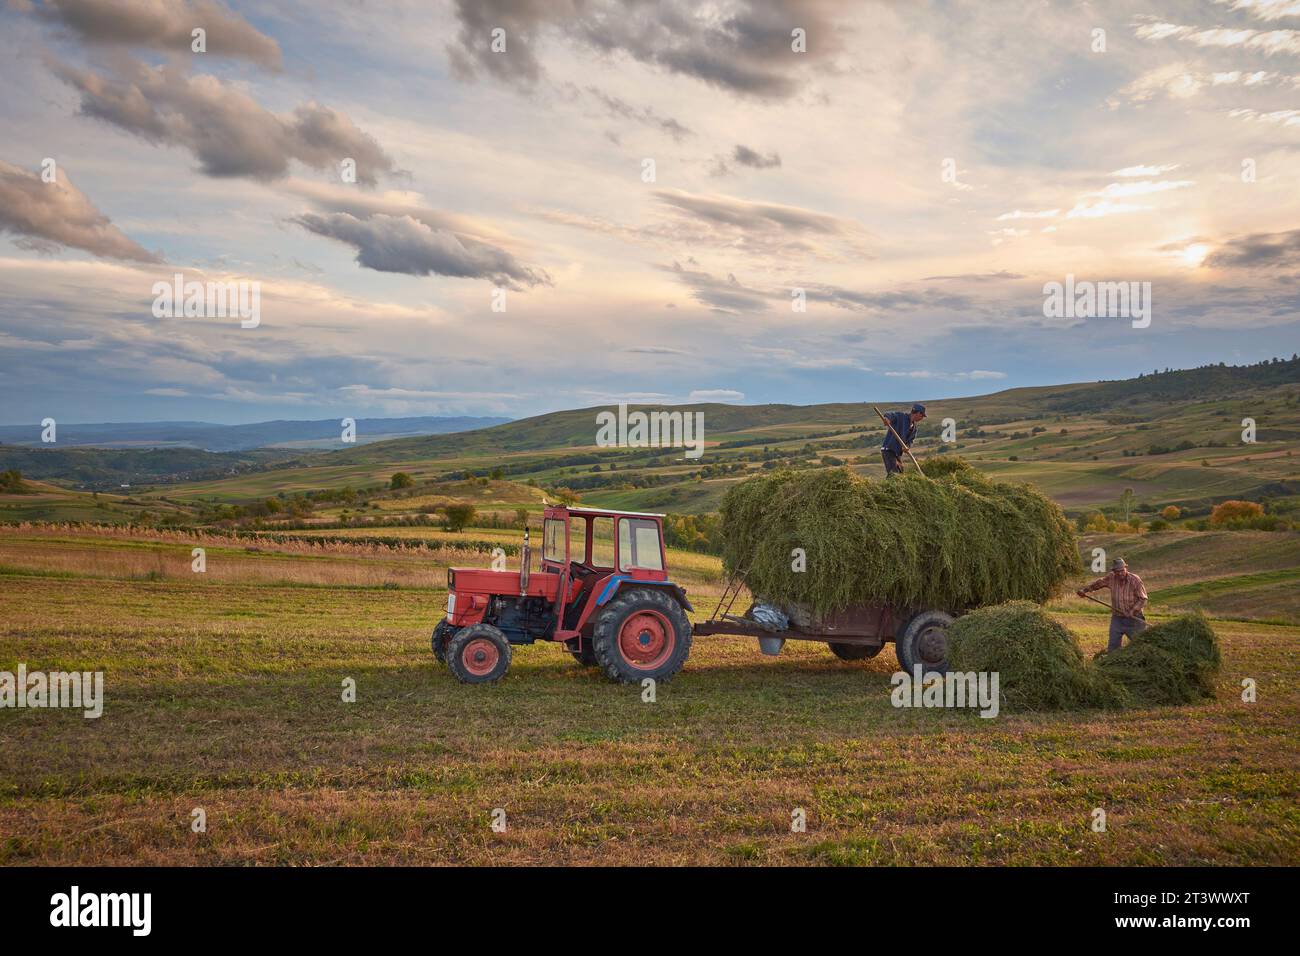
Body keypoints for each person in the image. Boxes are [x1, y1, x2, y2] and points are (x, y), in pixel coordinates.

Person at [1078, 557, 1148, 651]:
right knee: (1113, 647)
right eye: (1117, 571)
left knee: (1140, 646)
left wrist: (1132, 611)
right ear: (1114, 571)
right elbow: (1098, 584)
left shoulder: (1135, 580)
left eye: (1121, 570)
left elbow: (1143, 599)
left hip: (1134, 619)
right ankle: (1112, 663)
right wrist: (1084, 591)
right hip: (1117, 618)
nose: (1119, 573)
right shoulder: (1111, 577)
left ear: (1126, 568)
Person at [879, 403, 926, 475]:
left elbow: (910, 441)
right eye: (922, 416)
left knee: (901, 473)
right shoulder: (901, 417)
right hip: (889, 449)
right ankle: (888, 485)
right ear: (918, 413)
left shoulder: (914, 429)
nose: (922, 418)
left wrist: (907, 447)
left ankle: (887, 486)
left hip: (897, 453)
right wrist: (887, 419)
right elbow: (890, 415)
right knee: (894, 474)